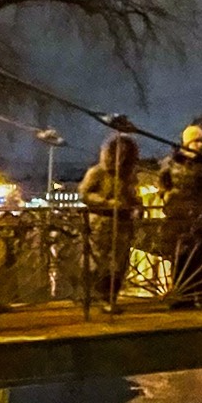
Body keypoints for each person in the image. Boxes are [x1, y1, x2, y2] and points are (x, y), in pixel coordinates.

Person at [79, 130, 141, 308]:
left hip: (123, 224)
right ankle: (99, 298)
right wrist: (107, 202)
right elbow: (84, 194)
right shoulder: (97, 172)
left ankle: (111, 298)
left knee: (119, 265)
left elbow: (133, 196)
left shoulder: (128, 175)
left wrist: (138, 207)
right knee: (101, 264)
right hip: (102, 224)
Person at [159, 122, 202, 307]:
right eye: (195, 141)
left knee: (196, 256)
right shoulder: (171, 161)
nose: (199, 145)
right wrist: (165, 194)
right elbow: (162, 181)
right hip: (175, 213)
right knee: (178, 256)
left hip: (196, 213)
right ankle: (181, 295)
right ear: (186, 142)